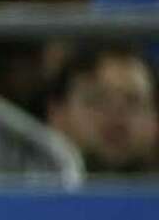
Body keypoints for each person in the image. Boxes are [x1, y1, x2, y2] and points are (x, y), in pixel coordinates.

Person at [42, 43, 158, 175]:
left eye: (132, 100)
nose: (116, 113)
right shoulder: (29, 189)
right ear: (58, 114)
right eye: (97, 99)